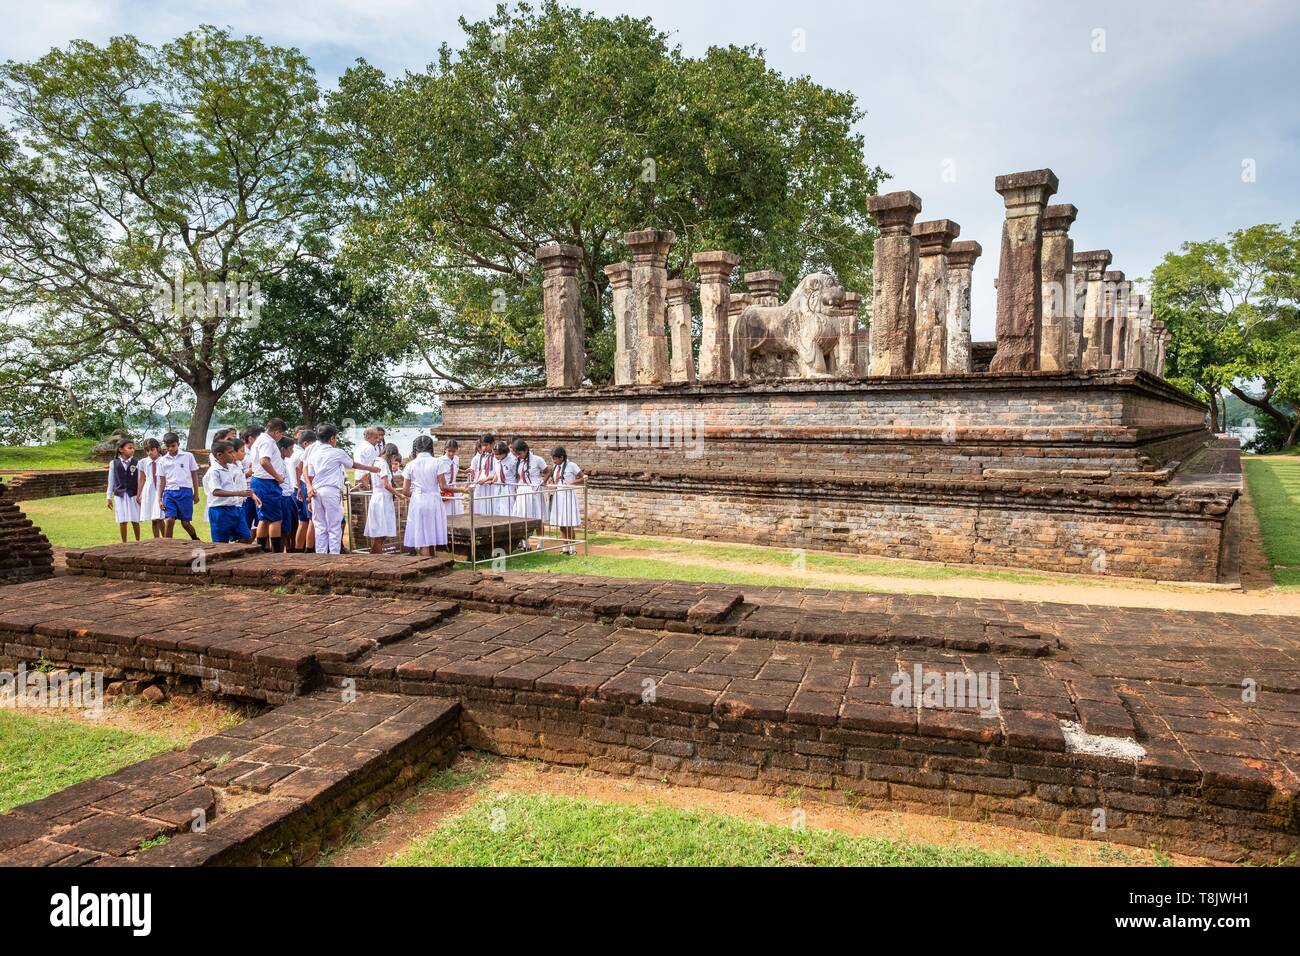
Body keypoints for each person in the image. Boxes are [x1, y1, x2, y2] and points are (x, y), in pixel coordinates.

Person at [304, 422, 379, 554]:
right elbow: (353, 464)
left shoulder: (313, 454)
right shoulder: (337, 452)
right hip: (330, 491)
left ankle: (320, 554)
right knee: (334, 525)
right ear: (332, 438)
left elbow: (309, 475)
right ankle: (334, 554)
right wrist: (370, 468)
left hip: (316, 491)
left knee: (320, 525)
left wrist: (309, 495)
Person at [401, 435, 450, 555]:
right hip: (433, 499)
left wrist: (417, 493)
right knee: (432, 531)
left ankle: (426, 563)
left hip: (418, 500)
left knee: (422, 535)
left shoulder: (410, 465)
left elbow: (405, 491)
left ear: (416, 448)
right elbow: (443, 486)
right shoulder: (437, 462)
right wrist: (462, 490)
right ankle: (430, 562)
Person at [249, 418, 289, 552]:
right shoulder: (267, 442)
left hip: (261, 482)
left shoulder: (260, 440)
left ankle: (261, 549)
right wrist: (277, 476)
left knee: (264, 518)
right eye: (281, 434)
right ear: (277, 432)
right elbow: (264, 461)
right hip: (267, 482)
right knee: (275, 519)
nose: (281, 437)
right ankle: (275, 551)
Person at [206, 440, 258, 543]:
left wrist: (250, 494)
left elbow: (239, 482)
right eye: (230, 452)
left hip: (235, 508)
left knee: (246, 537)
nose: (233, 455)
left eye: (233, 452)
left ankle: (236, 556)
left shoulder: (232, 467)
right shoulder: (214, 471)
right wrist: (238, 493)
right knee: (221, 542)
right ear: (220, 455)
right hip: (220, 510)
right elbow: (216, 491)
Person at [157, 432, 200, 540]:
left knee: (185, 523)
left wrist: (196, 493)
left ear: (178, 444)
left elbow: (194, 475)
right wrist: (159, 499)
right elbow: (162, 481)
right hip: (169, 492)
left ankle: (195, 538)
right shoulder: (162, 460)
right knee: (169, 520)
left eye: (173, 446)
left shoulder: (188, 456)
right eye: (168, 446)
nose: (170, 448)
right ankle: (168, 544)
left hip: (185, 492)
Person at [545, 446, 584, 554]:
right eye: (553, 459)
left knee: (569, 523)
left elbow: (583, 477)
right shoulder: (555, 467)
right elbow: (555, 480)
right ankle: (565, 548)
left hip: (568, 496)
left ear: (562, 457)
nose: (554, 461)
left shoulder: (571, 465)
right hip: (558, 496)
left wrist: (573, 482)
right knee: (561, 523)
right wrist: (551, 484)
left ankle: (573, 548)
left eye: (555, 459)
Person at [510, 438, 547, 548]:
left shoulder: (537, 459)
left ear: (526, 450)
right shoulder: (518, 461)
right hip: (522, 490)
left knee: (538, 517)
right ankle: (526, 544)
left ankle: (540, 544)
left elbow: (547, 471)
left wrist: (543, 482)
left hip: (534, 490)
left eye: (520, 453)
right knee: (523, 517)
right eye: (516, 454)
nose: (518, 456)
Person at [366, 442, 400, 553]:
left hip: (378, 497)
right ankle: (376, 556)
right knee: (381, 531)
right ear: (392, 455)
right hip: (382, 499)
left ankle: (375, 555)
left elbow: (364, 477)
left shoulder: (376, 461)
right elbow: (386, 484)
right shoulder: (383, 463)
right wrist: (399, 494)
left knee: (382, 532)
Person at [106, 438, 141, 543]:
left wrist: (140, 495)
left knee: (135, 520)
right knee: (122, 521)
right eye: (129, 448)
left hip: (133, 494)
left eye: (133, 448)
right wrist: (108, 496)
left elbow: (140, 480)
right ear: (121, 450)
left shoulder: (136, 463)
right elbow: (111, 481)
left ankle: (138, 541)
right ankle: (124, 543)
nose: (132, 450)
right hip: (119, 494)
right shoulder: (114, 463)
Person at [294, 430, 318, 552]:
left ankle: (299, 549)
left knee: (304, 521)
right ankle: (309, 549)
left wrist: (299, 486)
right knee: (312, 520)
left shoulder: (308, 449)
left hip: (304, 483)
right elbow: (301, 467)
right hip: (310, 484)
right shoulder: (314, 448)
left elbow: (299, 467)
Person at [136, 438, 165, 538]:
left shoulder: (164, 460)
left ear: (158, 449)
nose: (150, 453)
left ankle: (166, 539)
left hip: (161, 489)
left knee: (160, 517)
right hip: (149, 491)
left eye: (152, 450)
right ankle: (156, 540)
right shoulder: (142, 462)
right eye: (147, 450)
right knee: (153, 518)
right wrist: (138, 494)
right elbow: (142, 479)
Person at [276, 434, 300, 551]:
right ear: (282, 449)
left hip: (289, 495)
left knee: (292, 524)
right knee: (283, 527)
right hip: (283, 496)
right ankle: (280, 551)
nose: (292, 451)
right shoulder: (277, 463)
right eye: (290, 448)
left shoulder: (286, 461)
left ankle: (291, 548)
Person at [469, 434, 497, 515]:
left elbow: (497, 472)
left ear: (492, 444)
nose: (484, 447)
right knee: (481, 505)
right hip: (482, 484)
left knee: (492, 504)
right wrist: (475, 482)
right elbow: (481, 470)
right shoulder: (482, 456)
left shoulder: (496, 456)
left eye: (486, 445)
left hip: (491, 483)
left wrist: (487, 479)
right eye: (482, 445)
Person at [438, 439, 464, 517]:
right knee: (445, 512)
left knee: (456, 511)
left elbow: (454, 469)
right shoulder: (440, 461)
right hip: (444, 488)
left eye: (453, 451)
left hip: (454, 489)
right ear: (445, 449)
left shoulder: (456, 459)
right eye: (449, 451)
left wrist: (464, 471)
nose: (451, 453)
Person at [497, 440, 519, 516]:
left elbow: (517, 474)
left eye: (499, 454)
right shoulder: (498, 461)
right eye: (495, 454)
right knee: (501, 508)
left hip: (510, 486)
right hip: (501, 487)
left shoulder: (512, 461)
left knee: (510, 507)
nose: (497, 456)